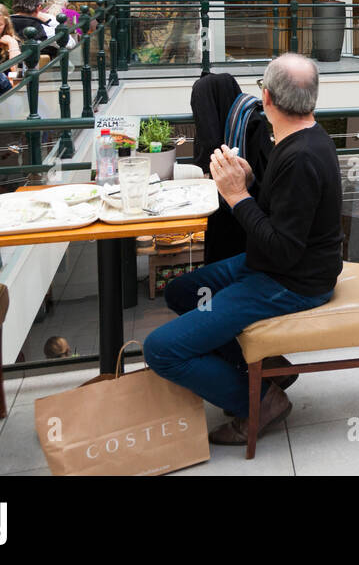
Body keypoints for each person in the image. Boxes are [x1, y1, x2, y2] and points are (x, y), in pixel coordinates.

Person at [145, 53, 342, 446]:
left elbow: (282, 249)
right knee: (183, 291)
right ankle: (266, 366)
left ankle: (259, 402)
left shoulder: (301, 156)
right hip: (272, 264)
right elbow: (283, 215)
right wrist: (250, 180)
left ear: (266, 98)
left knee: (161, 349)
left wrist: (236, 196)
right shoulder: (300, 139)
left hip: (292, 280)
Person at [189, 72, 276, 264]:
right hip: (256, 224)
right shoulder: (250, 118)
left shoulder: (245, 126)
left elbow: (208, 143)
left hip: (241, 219)